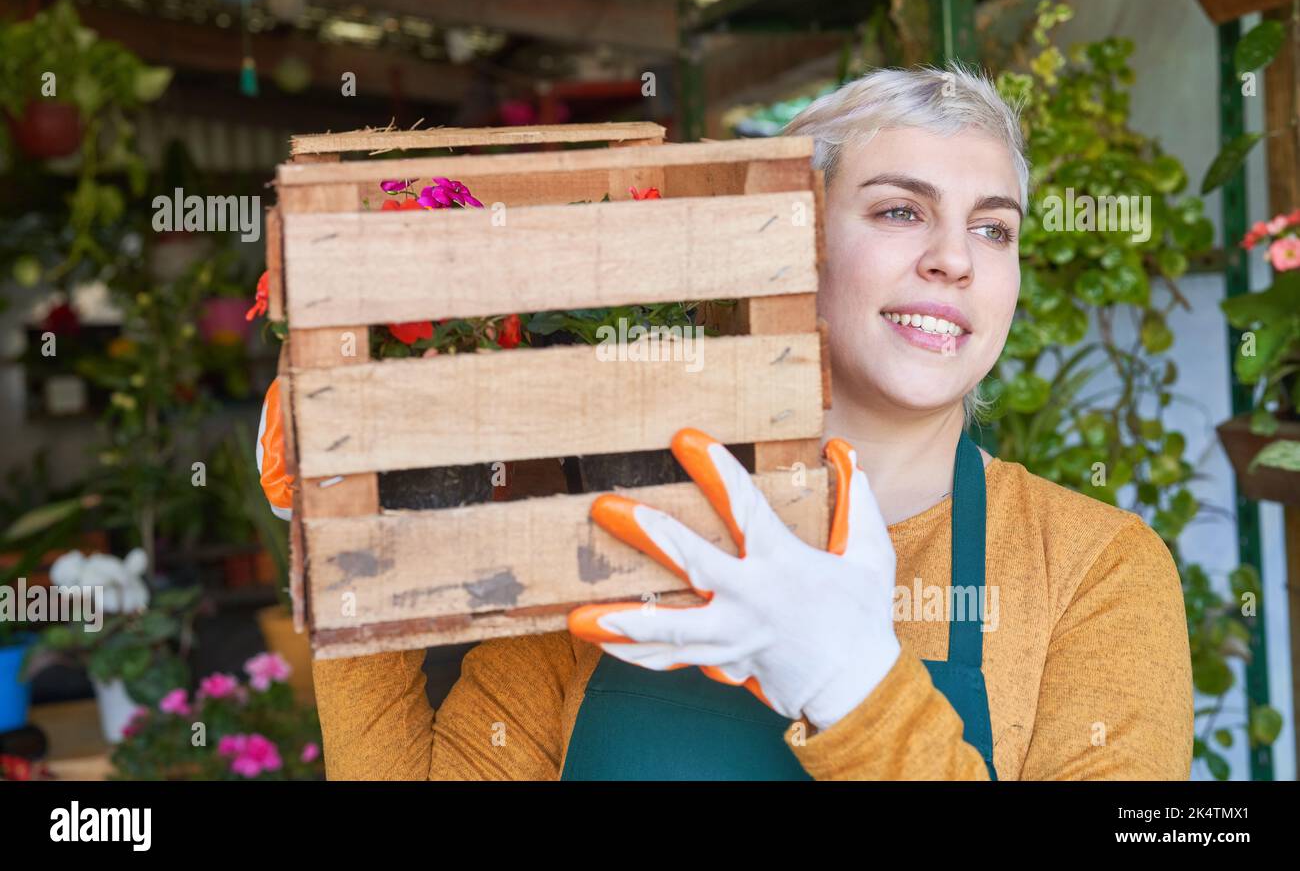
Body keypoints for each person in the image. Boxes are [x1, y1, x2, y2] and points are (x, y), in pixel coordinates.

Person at [256, 64, 1193, 780]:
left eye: (994, 228)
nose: (956, 258)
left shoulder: (1092, 569)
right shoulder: (622, 523)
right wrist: (343, 516)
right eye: (901, 209)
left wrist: (850, 685)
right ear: (786, 241)